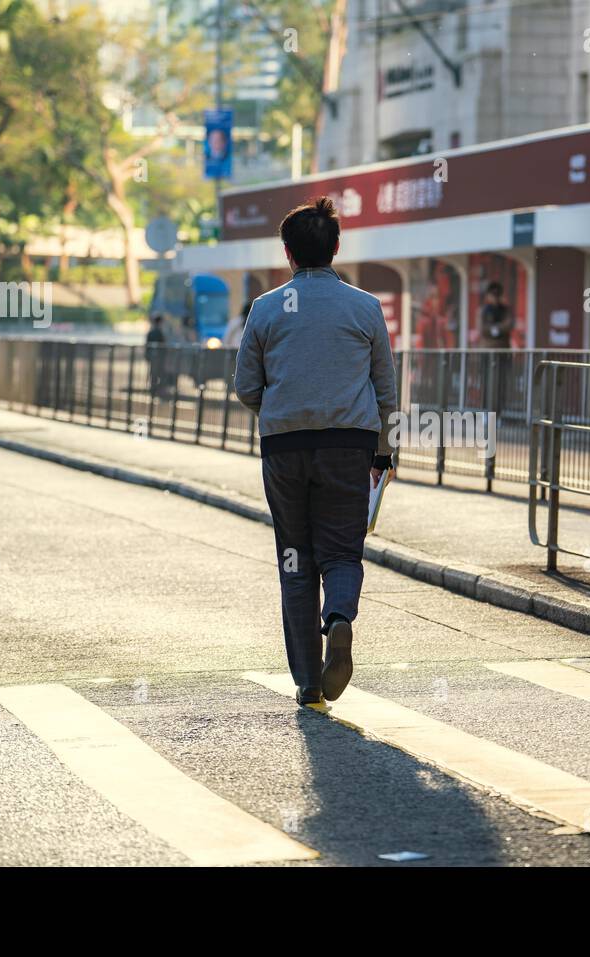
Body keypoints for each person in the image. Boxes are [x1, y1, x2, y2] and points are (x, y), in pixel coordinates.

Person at [233, 197, 396, 707]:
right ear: (336, 247)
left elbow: (245, 386)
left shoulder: (264, 309)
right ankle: (340, 618)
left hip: (284, 448)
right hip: (349, 446)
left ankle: (307, 680)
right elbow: (386, 392)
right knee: (342, 553)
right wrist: (384, 454)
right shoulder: (366, 307)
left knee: (294, 559)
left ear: (288, 253)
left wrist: (282, 408)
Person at [478, 282, 514, 348]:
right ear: (488, 296)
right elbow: (482, 328)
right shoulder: (483, 311)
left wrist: (494, 328)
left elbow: (508, 325)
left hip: (503, 348)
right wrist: (498, 328)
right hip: (486, 347)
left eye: (498, 294)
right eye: (493, 295)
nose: (495, 298)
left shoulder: (505, 310)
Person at [145, 313, 168, 396]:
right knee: (159, 374)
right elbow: (163, 345)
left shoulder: (151, 332)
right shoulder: (159, 332)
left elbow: (147, 345)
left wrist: (147, 356)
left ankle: (153, 389)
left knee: (154, 374)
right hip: (159, 357)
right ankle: (158, 390)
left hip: (153, 357)